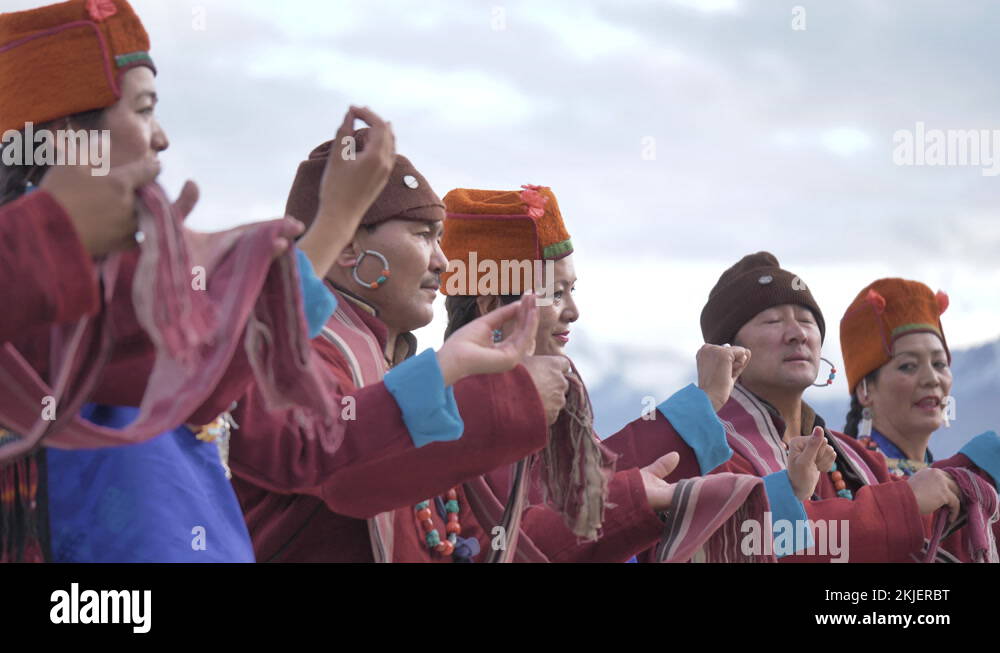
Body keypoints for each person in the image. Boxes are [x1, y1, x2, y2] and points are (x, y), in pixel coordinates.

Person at [0, 0, 381, 561]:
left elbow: (300, 438)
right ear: (65, 135)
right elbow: (208, 352)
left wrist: (456, 375)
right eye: (144, 110)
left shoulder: (134, 282)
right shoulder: (49, 291)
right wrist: (334, 223)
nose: (161, 139)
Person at [228, 132, 571, 562]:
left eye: (441, 239)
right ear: (350, 246)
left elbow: (478, 547)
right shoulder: (294, 357)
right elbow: (341, 466)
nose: (442, 262)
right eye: (423, 235)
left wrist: (646, 502)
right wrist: (507, 398)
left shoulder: (391, 370)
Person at [413, 185, 796, 562]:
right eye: (556, 293)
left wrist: (704, 404)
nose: (574, 311)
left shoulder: (552, 399)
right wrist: (635, 497)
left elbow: (602, 476)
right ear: (493, 305)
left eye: (572, 290)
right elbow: (511, 542)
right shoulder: (463, 406)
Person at [604, 252, 997, 562]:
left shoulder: (854, 459)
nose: (797, 334)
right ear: (728, 352)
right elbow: (758, 543)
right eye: (773, 321)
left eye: (808, 321)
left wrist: (979, 470)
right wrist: (905, 504)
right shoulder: (704, 457)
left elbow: (929, 523)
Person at [839, 277, 999, 560]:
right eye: (908, 366)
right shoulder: (842, 480)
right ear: (865, 389)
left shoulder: (964, 487)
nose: (931, 379)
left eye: (939, 364)